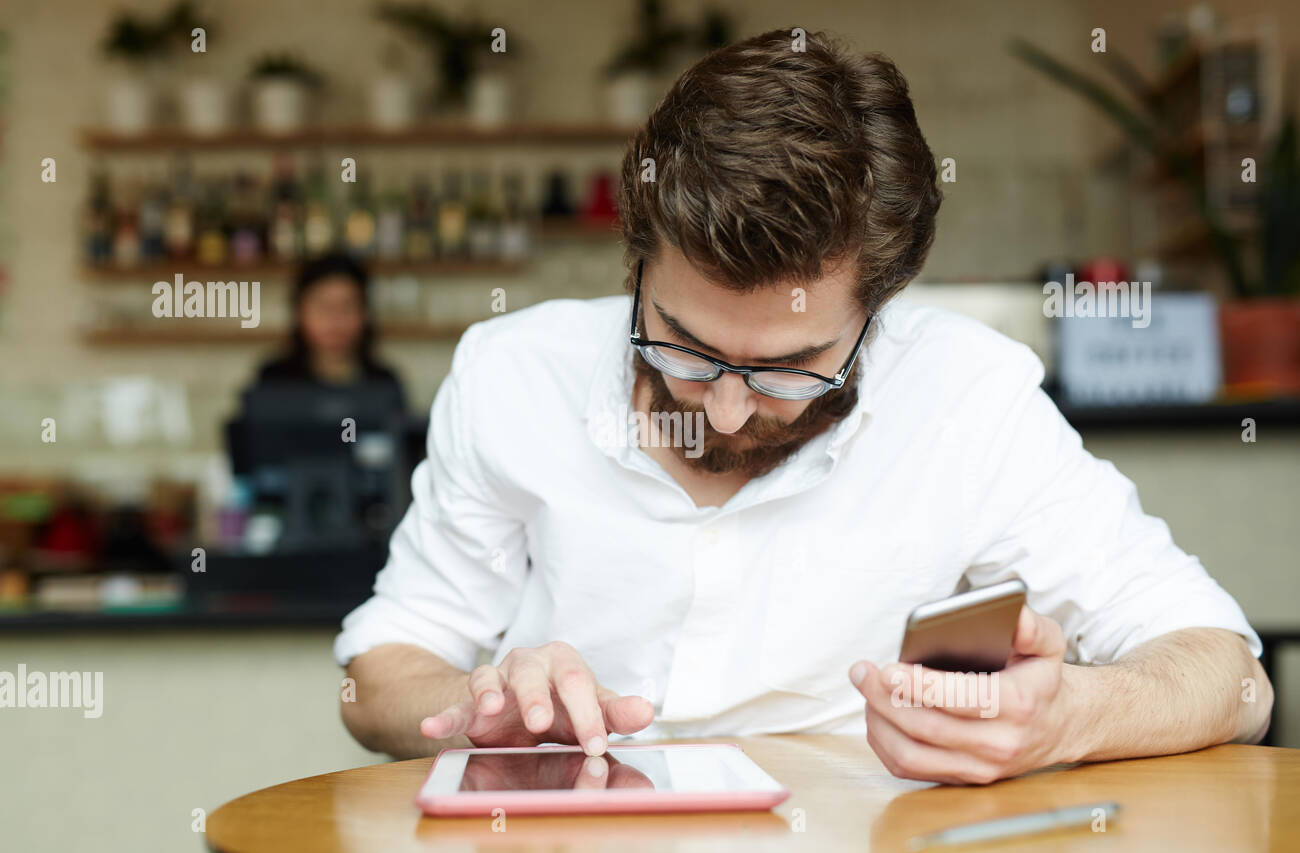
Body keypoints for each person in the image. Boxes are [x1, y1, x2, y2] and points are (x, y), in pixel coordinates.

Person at [334, 30, 1272, 784]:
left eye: (791, 368)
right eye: (682, 347)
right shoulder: (512, 373)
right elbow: (375, 673)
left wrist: (1069, 716)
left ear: (881, 305)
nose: (731, 412)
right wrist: (473, 707)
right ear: (634, 260)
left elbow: (1233, 679)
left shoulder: (967, 395)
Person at [255, 253, 406, 407]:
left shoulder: (384, 383)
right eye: (323, 307)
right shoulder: (273, 380)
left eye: (346, 307)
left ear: (364, 313)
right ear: (300, 312)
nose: (335, 319)